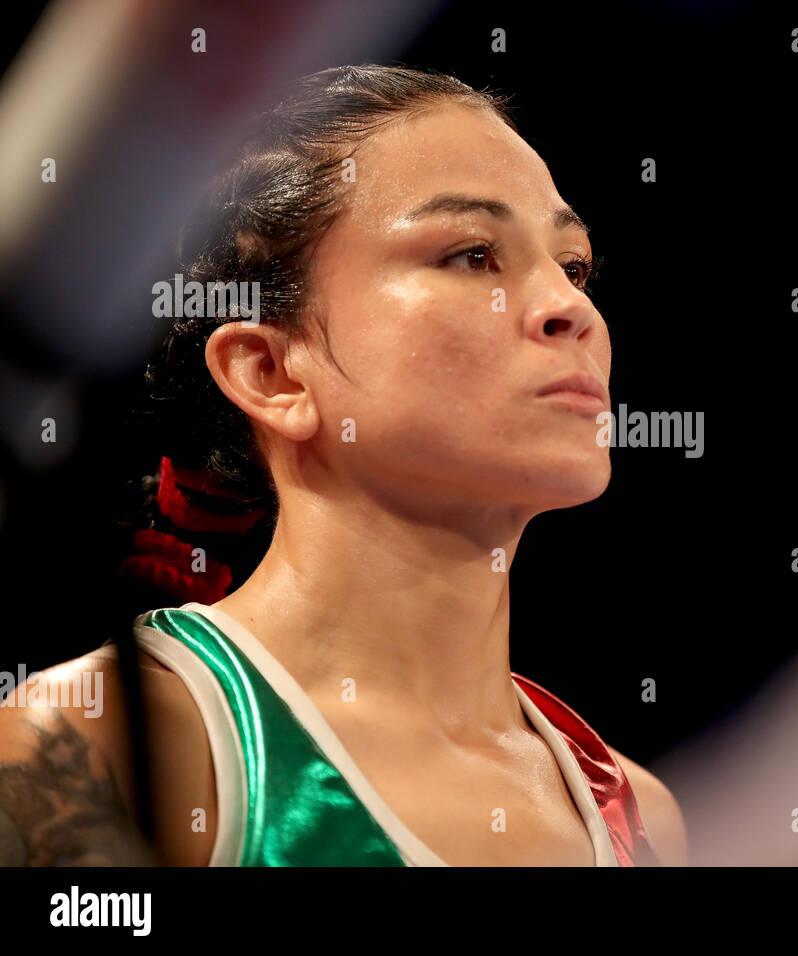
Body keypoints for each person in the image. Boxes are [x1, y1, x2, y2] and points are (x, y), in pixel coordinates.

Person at [0, 65, 687, 867]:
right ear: (273, 373)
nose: (570, 308)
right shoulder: (103, 739)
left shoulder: (638, 811)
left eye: (573, 266)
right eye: (472, 255)